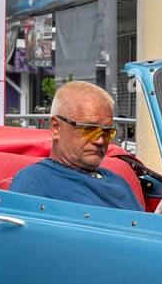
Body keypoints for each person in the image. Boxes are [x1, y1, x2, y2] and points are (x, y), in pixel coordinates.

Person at [8, 81, 142, 210]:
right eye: (89, 129)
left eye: (107, 132)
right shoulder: (33, 181)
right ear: (56, 128)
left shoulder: (118, 182)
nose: (100, 141)